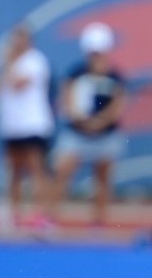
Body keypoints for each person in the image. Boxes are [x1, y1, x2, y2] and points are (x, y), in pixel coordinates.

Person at [44, 22, 126, 232]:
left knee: (103, 180)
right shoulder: (76, 73)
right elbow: (68, 101)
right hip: (77, 134)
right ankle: (50, 219)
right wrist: (83, 121)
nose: (96, 56)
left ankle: (98, 223)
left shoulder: (114, 76)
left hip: (106, 135)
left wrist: (100, 122)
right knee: (62, 172)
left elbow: (118, 105)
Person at [0, 25, 55, 234]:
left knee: (37, 170)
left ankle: (41, 216)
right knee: (14, 172)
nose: (17, 43)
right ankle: (14, 215)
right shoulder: (9, 63)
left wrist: (8, 62)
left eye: (21, 38)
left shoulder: (35, 61)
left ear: (29, 41)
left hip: (33, 125)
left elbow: (18, 84)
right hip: (12, 126)